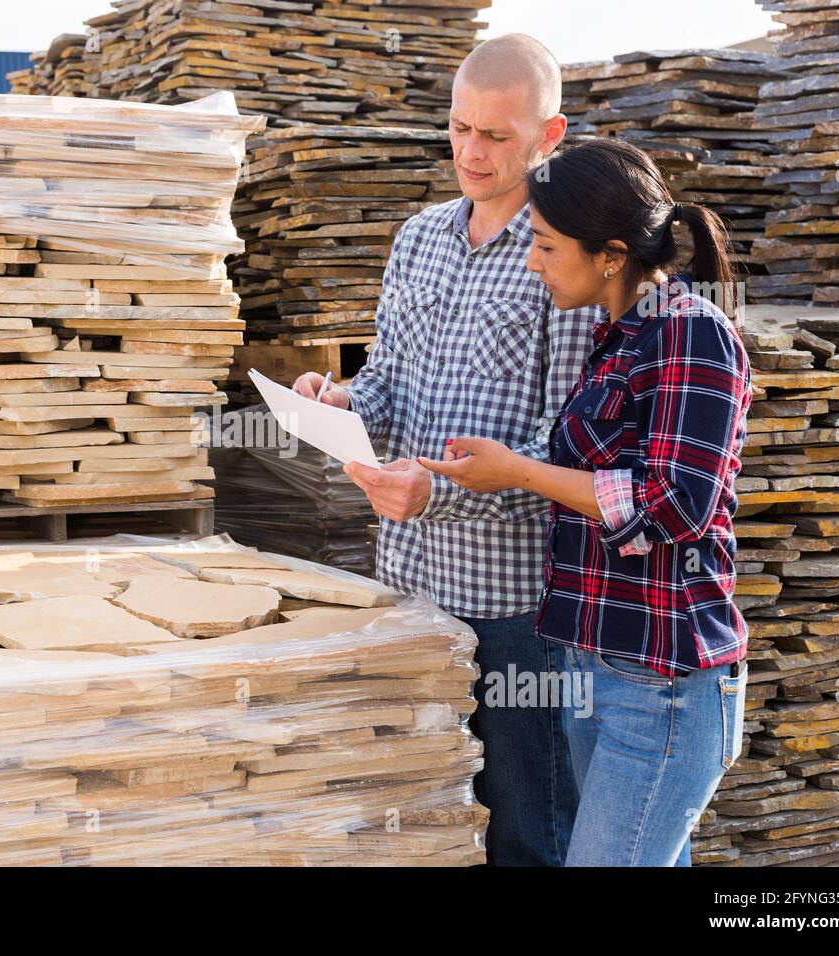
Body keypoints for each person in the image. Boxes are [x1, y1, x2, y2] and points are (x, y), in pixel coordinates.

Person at [291, 34, 600, 866]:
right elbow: (392, 383)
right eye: (459, 128)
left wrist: (439, 494)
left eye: (496, 136)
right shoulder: (418, 238)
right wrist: (344, 399)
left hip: (518, 611)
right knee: (419, 815)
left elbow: (562, 447)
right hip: (407, 584)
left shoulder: (565, 256)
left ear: (550, 133)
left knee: (528, 831)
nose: (471, 151)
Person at [419, 137, 752, 866]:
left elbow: (677, 503)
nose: (531, 261)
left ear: (608, 252)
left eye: (543, 244)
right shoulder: (617, 338)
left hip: (663, 685)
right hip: (596, 668)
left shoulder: (691, 332)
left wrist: (520, 473)